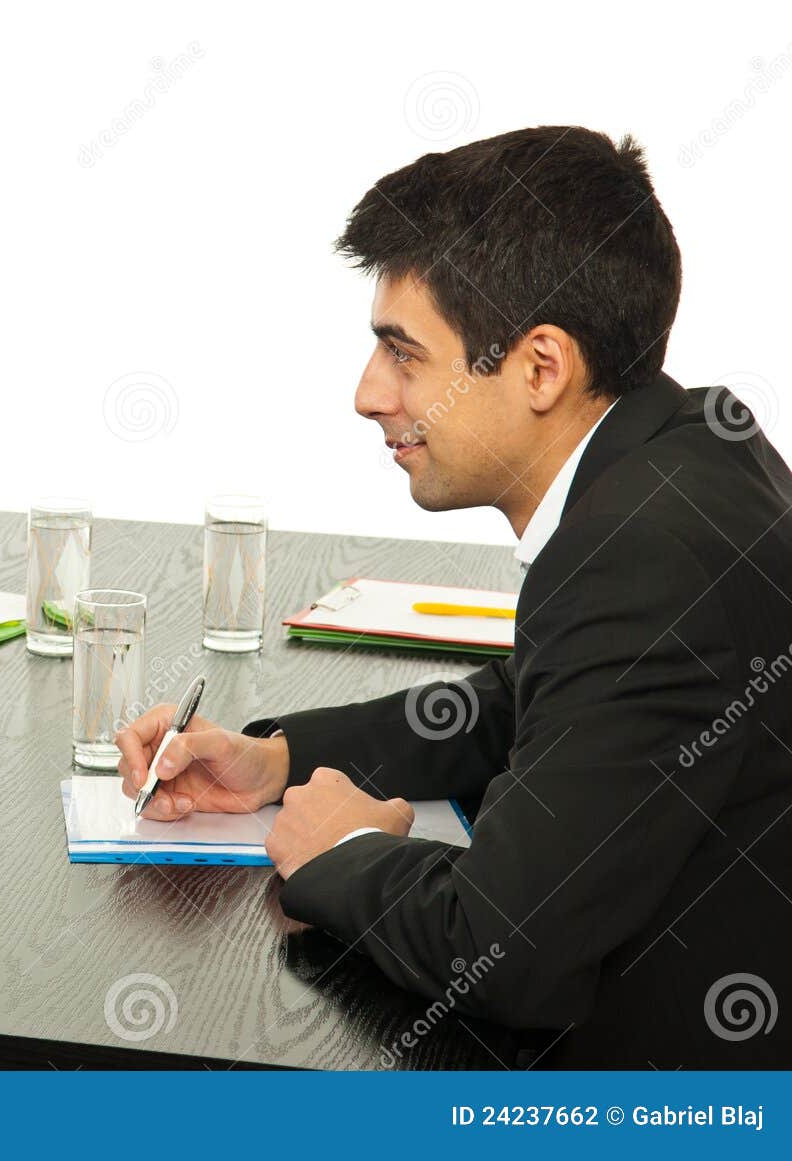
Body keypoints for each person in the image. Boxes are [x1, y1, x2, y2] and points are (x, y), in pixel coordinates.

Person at [118, 126, 791, 1067]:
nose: (367, 394)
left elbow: (505, 952)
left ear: (541, 367)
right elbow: (533, 700)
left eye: (403, 353)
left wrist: (344, 850)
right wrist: (277, 760)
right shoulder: (691, 448)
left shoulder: (644, 555)